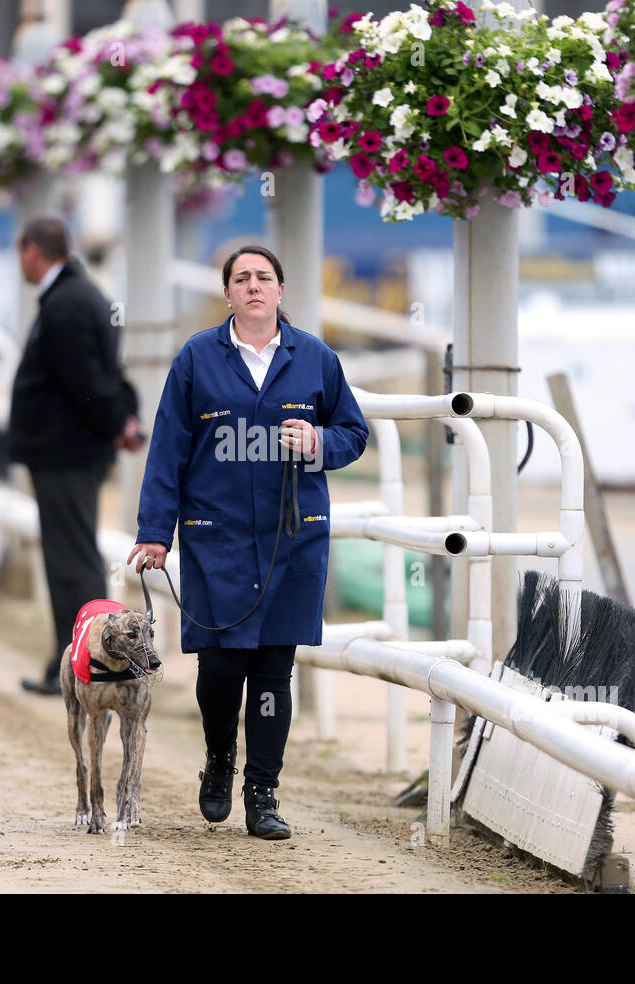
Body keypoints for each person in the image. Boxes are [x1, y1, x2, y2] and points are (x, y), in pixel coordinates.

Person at [127, 245, 368, 839]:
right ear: (228, 293)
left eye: (264, 277)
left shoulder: (315, 359)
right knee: (219, 668)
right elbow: (167, 450)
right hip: (217, 539)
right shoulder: (195, 359)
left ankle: (262, 794)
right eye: (242, 279)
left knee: (273, 671)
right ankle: (218, 761)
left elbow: (354, 433)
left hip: (292, 542)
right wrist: (156, 533)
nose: (254, 286)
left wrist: (317, 441)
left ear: (281, 290)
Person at [10, 217, 144, 697]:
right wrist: (123, 419)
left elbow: (87, 383)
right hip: (69, 452)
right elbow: (105, 376)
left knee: (71, 561)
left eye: (19, 252)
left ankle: (86, 668)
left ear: (32, 250)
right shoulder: (82, 295)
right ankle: (72, 663)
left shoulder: (67, 303)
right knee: (73, 556)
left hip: (65, 454)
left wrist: (117, 422)